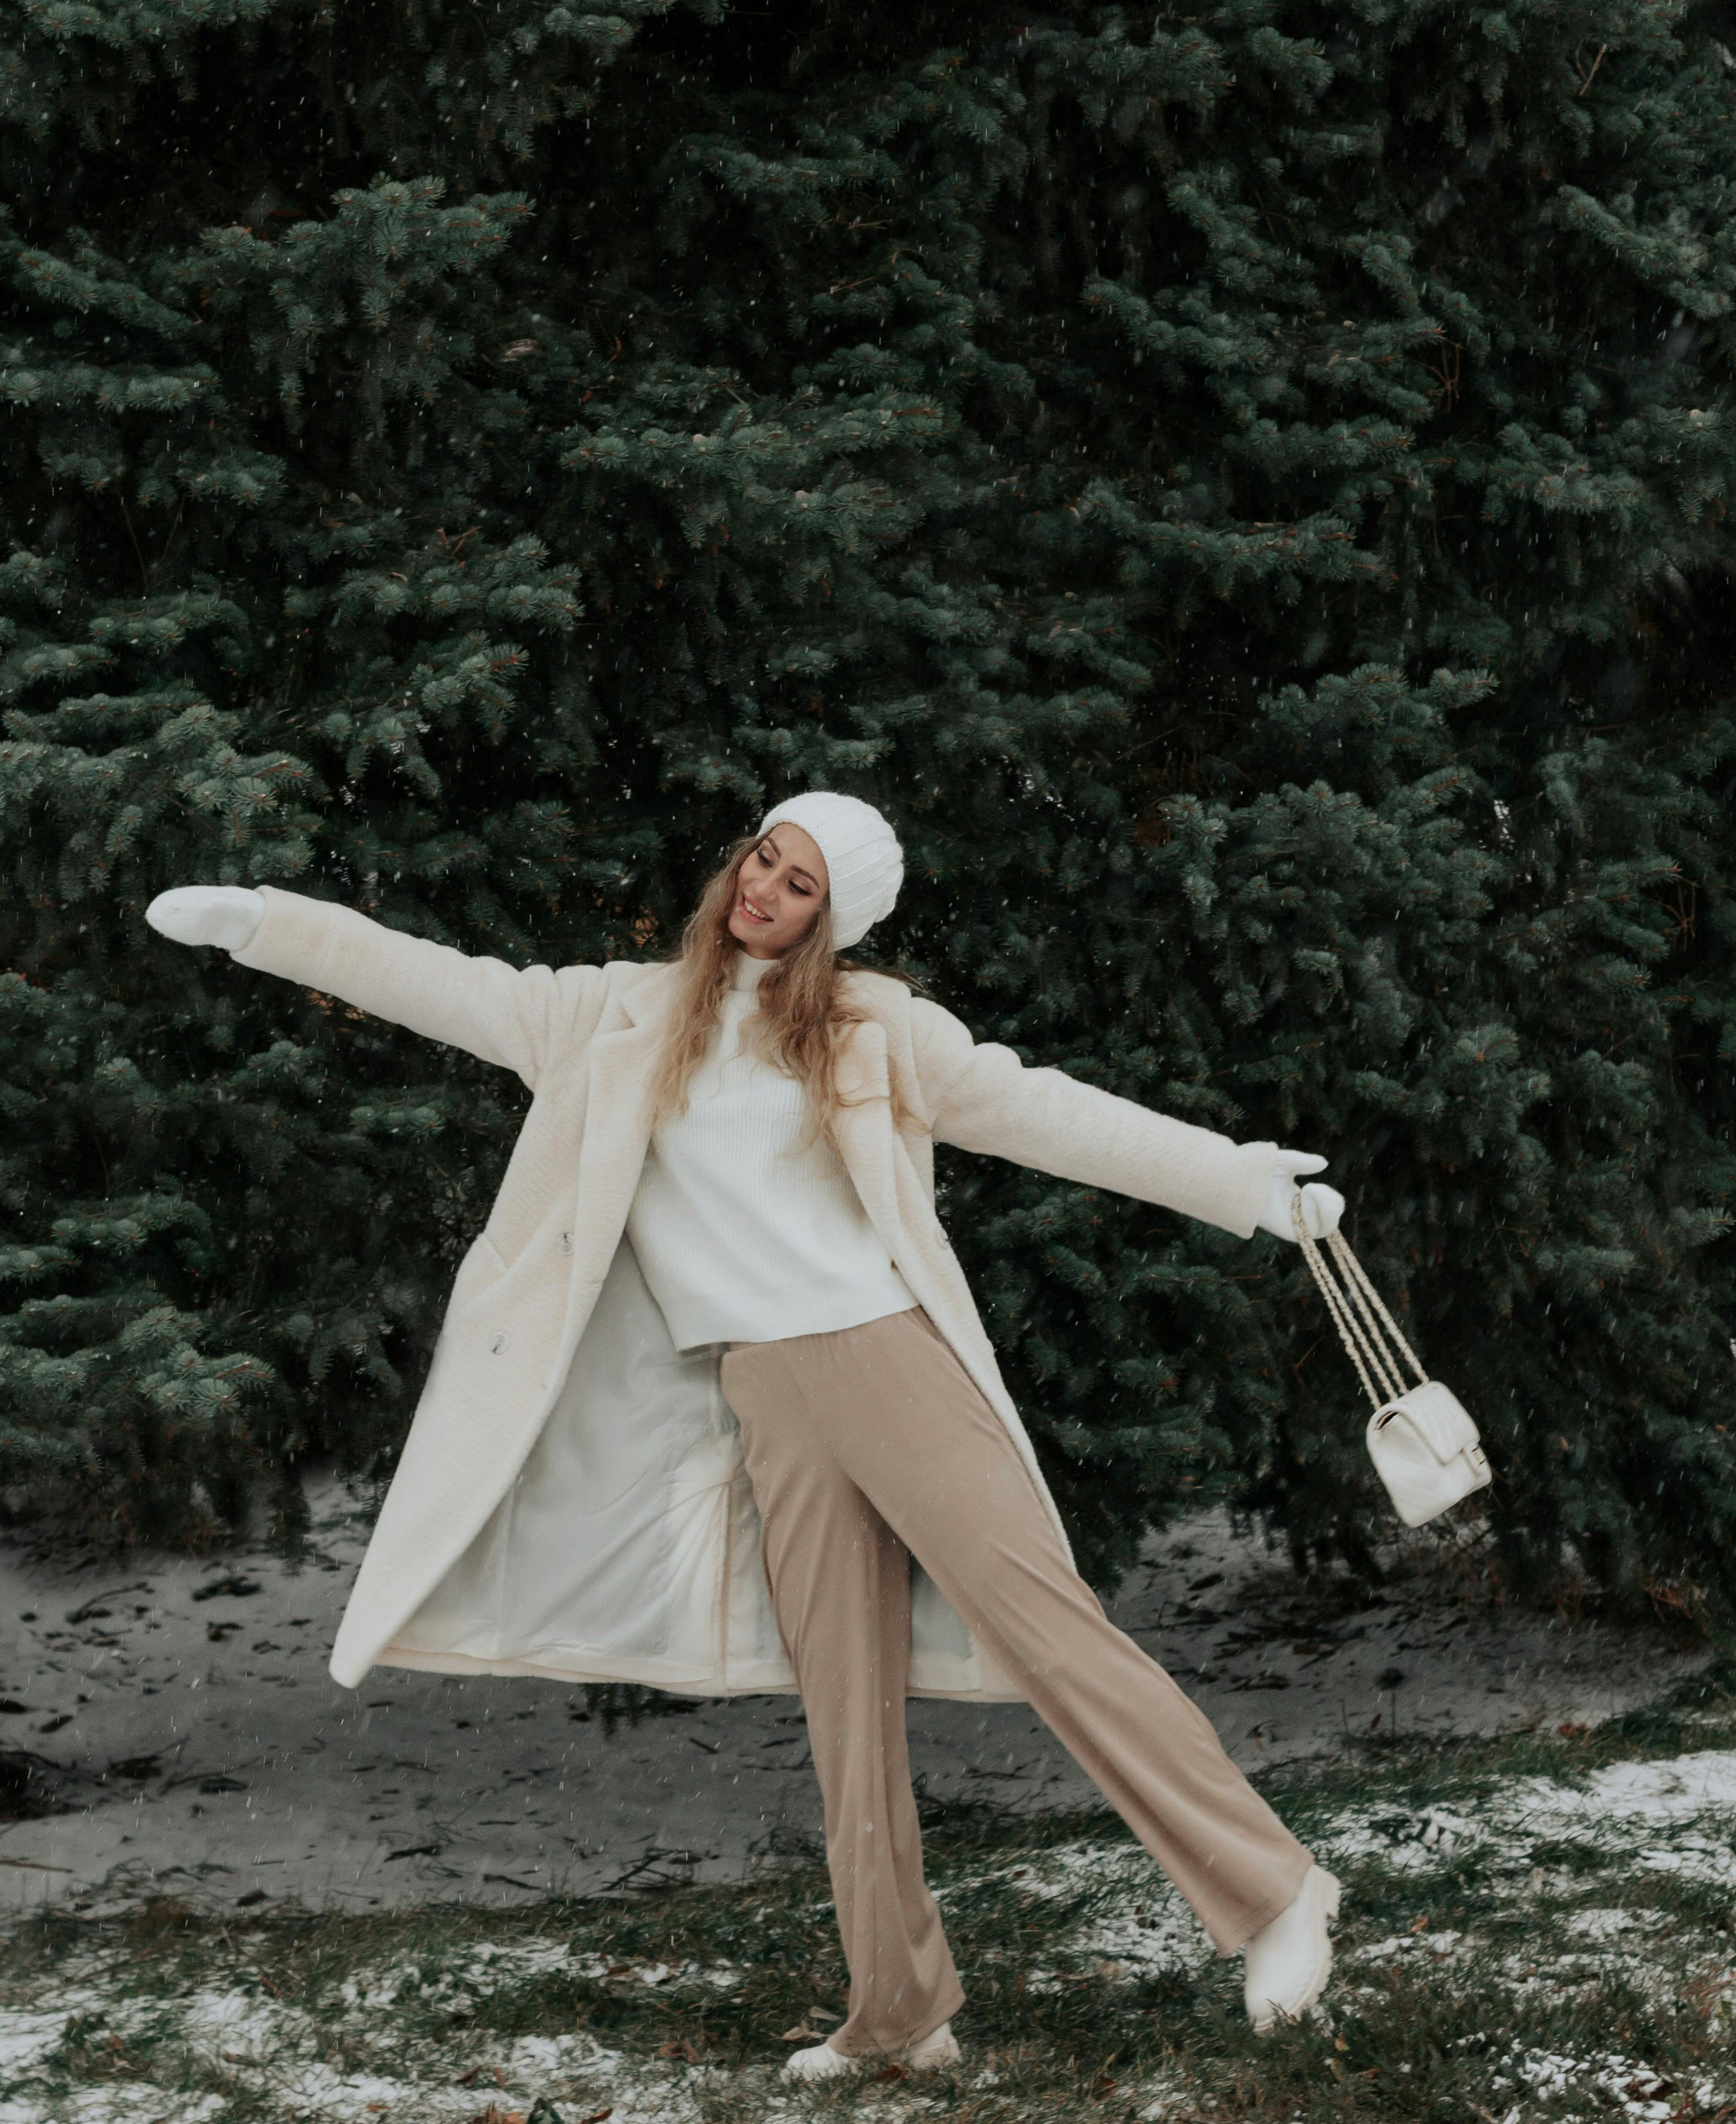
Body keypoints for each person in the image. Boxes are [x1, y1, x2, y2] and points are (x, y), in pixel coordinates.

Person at [147, 791, 1344, 2070]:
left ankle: (1275, 1891)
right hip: (766, 1389)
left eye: (802, 884)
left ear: (838, 922)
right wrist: (265, 924)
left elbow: (1044, 1110)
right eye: (764, 857)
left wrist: (1236, 1181)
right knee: (846, 1714)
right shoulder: (616, 1012)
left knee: (1053, 1633)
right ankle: (897, 2011)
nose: (765, 888)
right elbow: (436, 979)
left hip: (886, 1355)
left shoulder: (869, 1026)